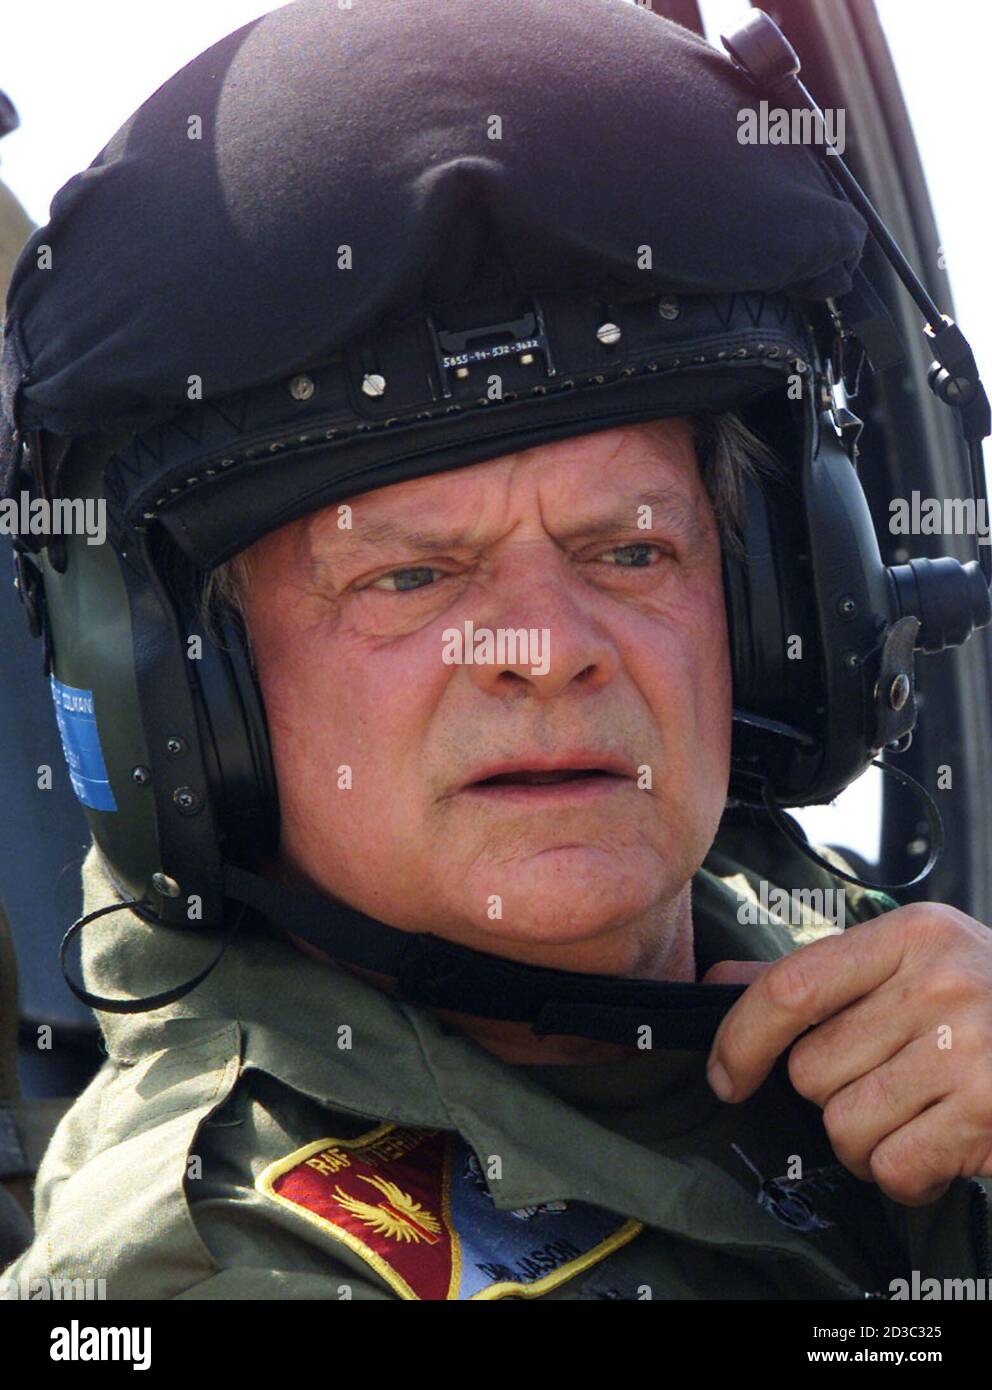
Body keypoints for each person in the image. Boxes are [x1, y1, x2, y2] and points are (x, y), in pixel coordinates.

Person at [1, 0, 991, 1301]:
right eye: (410, 577)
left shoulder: (829, 931)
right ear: (192, 707)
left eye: (629, 550)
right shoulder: (214, 1259)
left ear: (774, 616)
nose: (551, 649)